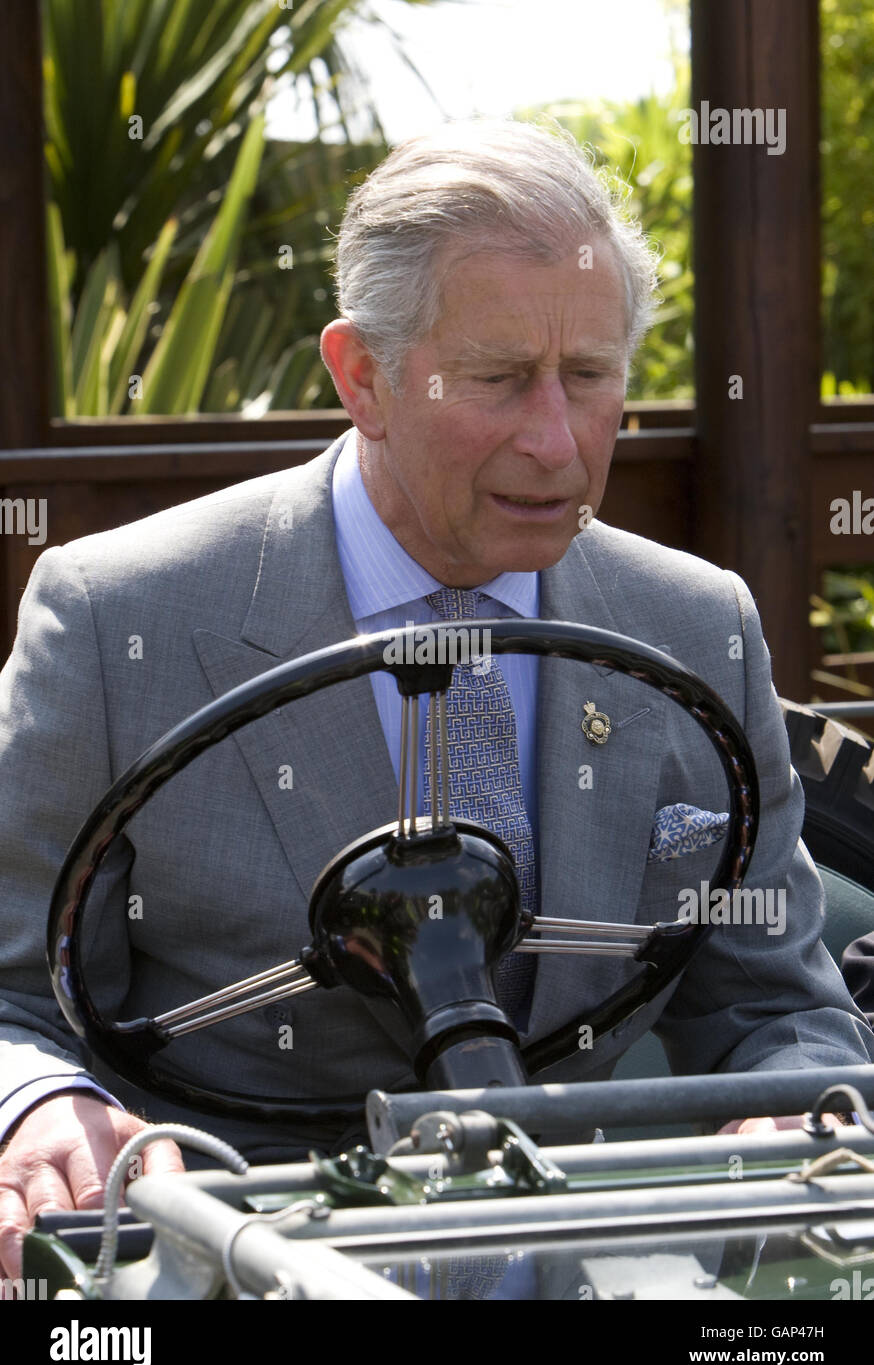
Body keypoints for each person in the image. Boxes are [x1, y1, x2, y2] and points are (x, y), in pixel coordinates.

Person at [0, 118, 870, 1284]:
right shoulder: (119, 619)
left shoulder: (694, 625)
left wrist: (796, 1116)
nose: (557, 442)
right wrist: (39, 1100)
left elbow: (781, 1010)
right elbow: (11, 991)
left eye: (590, 377)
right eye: (502, 380)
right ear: (361, 373)